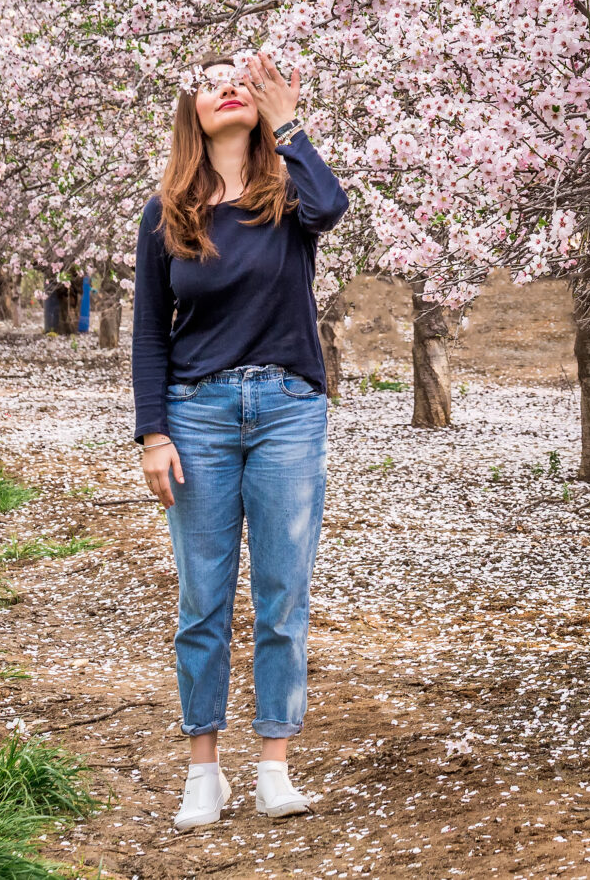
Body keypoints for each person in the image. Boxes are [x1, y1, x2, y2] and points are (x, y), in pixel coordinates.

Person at [133, 52, 349, 831]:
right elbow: (149, 335)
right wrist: (153, 433)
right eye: (210, 78)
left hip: (290, 408)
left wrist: (290, 122)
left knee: (283, 596)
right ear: (190, 111)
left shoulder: (288, 195)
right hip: (196, 416)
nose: (228, 84)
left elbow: (335, 207)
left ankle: (272, 768)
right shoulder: (166, 212)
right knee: (204, 599)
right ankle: (204, 773)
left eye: (241, 77)